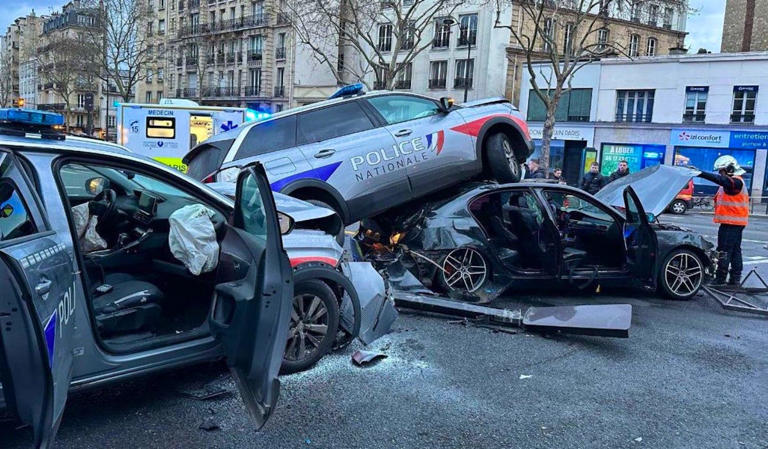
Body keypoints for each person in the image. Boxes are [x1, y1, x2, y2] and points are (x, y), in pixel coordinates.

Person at [698, 155, 749, 286]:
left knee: (724, 250)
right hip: (735, 222)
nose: (720, 174)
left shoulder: (736, 182)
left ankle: (720, 278)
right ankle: (735, 279)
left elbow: (722, 181)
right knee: (735, 250)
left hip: (732, 223)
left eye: (721, 171)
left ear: (730, 169)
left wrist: (701, 173)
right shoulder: (733, 183)